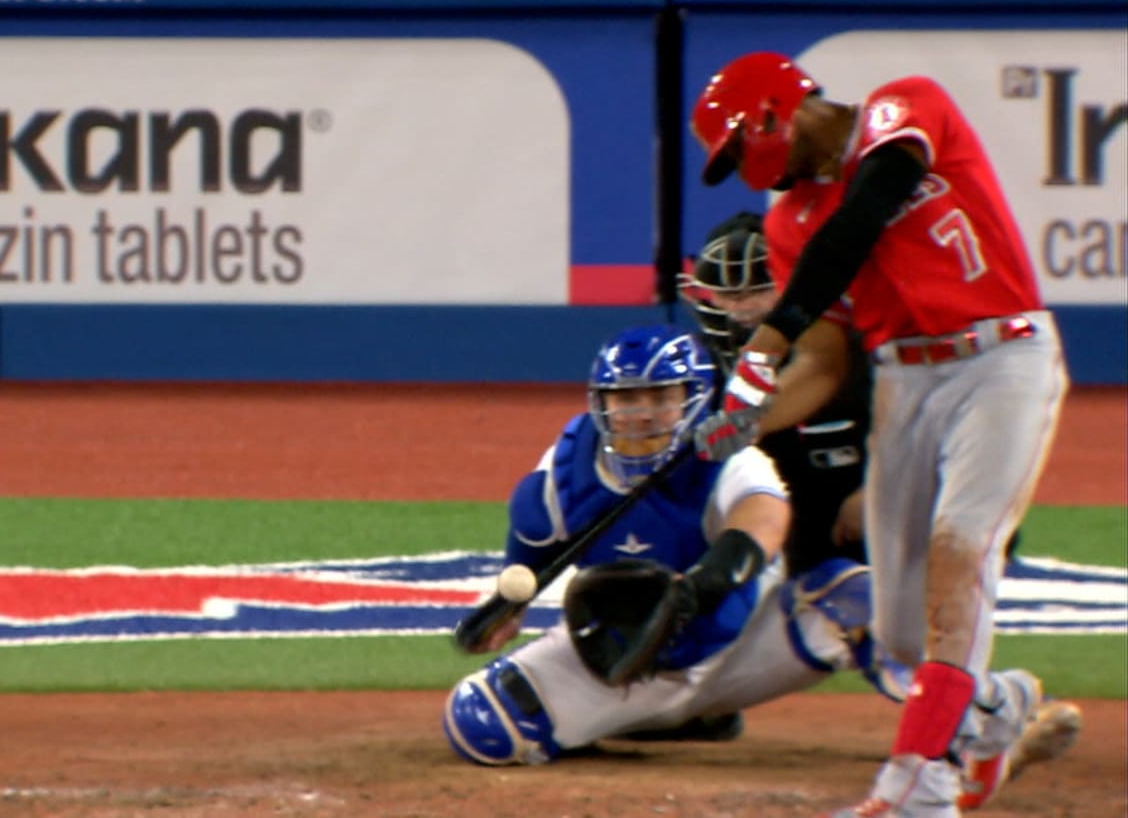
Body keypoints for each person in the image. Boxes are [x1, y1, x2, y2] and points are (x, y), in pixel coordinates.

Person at [689, 50, 1080, 816]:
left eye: (740, 148)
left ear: (775, 112)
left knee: (959, 556)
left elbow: (868, 207)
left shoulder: (904, 110)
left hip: (1000, 356)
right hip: (903, 380)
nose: (743, 170)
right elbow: (829, 361)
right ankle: (994, 716)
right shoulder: (787, 221)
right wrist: (739, 426)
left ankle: (916, 787)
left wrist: (766, 343)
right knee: (902, 632)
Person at [441, 323, 885, 766]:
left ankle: (947, 737)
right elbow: (533, 544)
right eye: (626, 398)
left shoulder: (725, 454)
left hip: (744, 649)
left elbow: (764, 519)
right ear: (602, 402)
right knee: (482, 721)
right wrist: (508, 603)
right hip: (624, 664)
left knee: (854, 601)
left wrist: (699, 589)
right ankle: (653, 718)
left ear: (693, 400)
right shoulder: (568, 469)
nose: (642, 413)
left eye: (661, 398)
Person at [678, 210, 873, 574]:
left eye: (759, 288)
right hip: (762, 513)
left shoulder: (850, 355)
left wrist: (876, 493)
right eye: (728, 293)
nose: (743, 307)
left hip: (850, 508)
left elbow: (908, 433)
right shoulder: (693, 366)